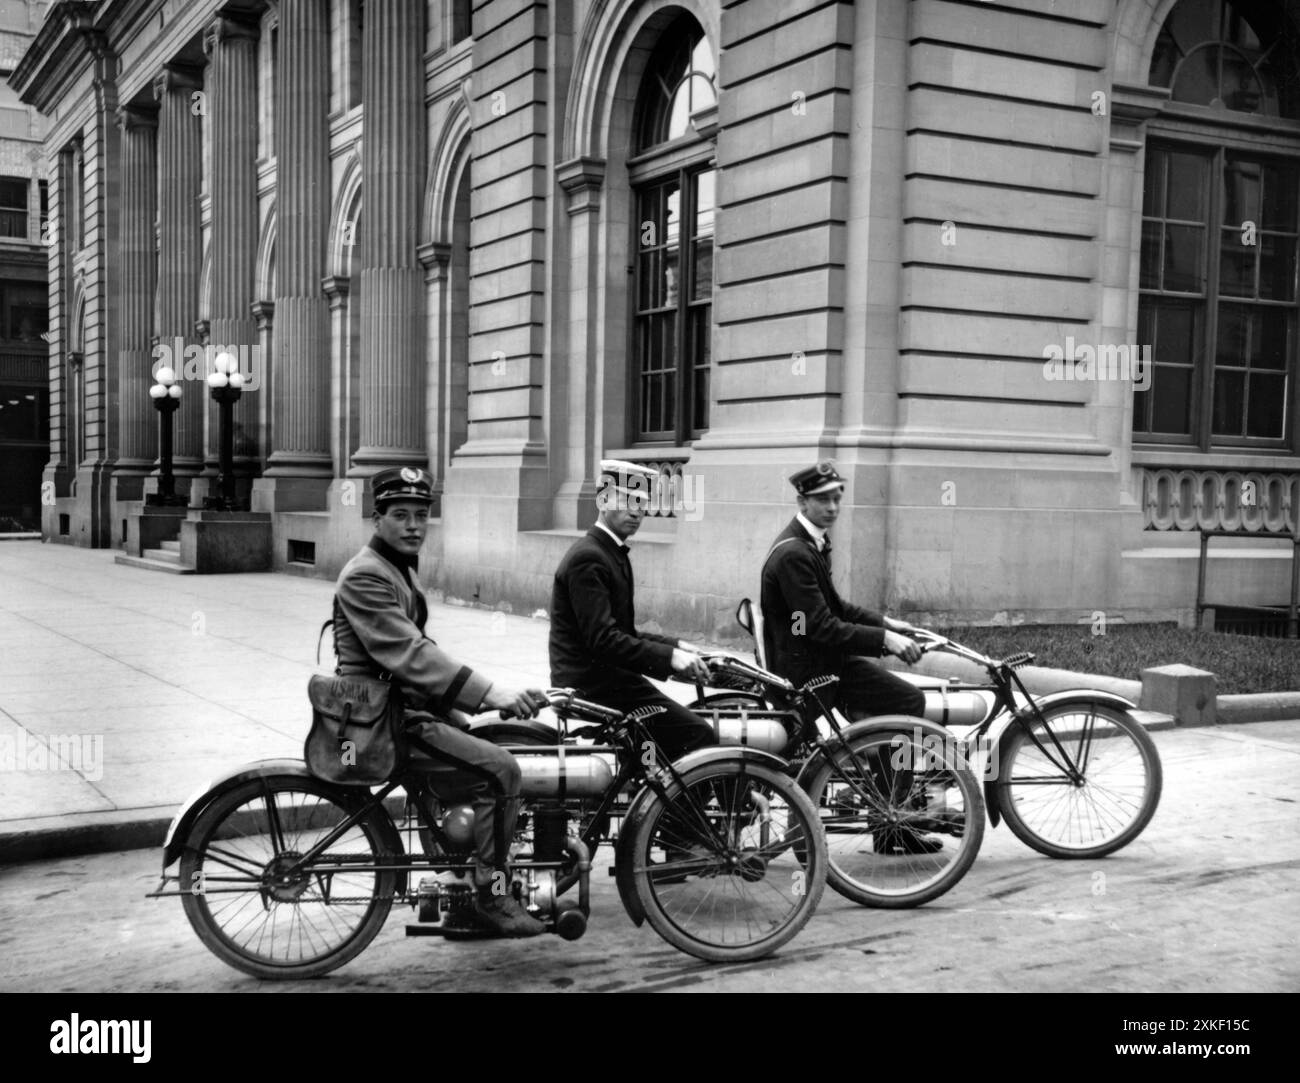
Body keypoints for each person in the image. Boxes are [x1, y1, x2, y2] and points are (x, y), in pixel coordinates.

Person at [332, 465, 549, 936]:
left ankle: (463, 883)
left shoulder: (393, 570)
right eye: (401, 515)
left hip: (397, 711)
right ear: (377, 519)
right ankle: (492, 896)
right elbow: (411, 655)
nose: (413, 526)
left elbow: (414, 661)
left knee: (489, 742)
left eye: (422, 515)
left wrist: (479, 709)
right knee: (502, 770)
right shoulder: (366, 576)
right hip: (384, 724)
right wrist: (491, 692)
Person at [759, 460, 939, 855]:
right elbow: (822, 626)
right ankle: (891, 821)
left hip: (819, 662)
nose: (833, 506)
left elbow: (836, 608)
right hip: (810, 671)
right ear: (802, 500)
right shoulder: (795, 554)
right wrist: (885, 642)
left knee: (900, 703)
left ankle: (891, 817)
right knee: (906, 702)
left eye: (837, 498)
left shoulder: (810, 543)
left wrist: (887, 623)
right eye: (823, 499)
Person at [549, 460, 715, 764]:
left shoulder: (609, 552)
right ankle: (664, 811)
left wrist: (674, 646)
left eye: (642, 501)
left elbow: (621, 633)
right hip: (593, 683)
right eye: (627, 499)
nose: (637, 511)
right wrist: (670, 659)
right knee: (698, 733)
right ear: (602, 499)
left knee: (662, 743)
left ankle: (642, 790)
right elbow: (603, 640)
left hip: (605, 677)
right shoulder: (590, 558)